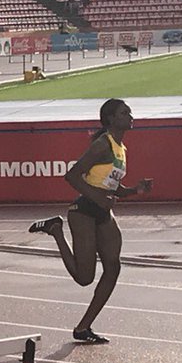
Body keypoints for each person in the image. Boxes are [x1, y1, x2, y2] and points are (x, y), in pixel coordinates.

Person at [28, 98, 153, 344]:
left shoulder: (121, 148)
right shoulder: (102, 145)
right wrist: (98, 199)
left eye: (129, 111)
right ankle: (55, 230)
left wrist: (135, 190)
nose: (130, 115)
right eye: (124, 112)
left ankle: (83, 327)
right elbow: (72, 176)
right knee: (84, 278)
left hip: (102, 213)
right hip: (83, 212)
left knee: (113, 268)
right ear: (111, 119)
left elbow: (111, 186)